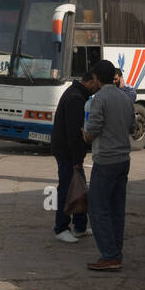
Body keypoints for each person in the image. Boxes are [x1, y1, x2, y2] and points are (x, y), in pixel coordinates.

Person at [82, 59, 133, 271]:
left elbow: (91, 131)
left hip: (105, 161)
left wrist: (84, 134)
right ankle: (116, 253)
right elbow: (131, 126)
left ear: (95, 78)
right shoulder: (126, 97)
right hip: (123, 159)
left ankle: (109, 255)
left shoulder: (99, 99)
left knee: (98, 209)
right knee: (116, 209)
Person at [50, 67, 101, 242]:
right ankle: (61, 227)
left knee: (79, 188)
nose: (97, 89)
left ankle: (79, 226)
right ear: (91, 82)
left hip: (67, 151)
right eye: (96, 85)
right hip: (67, 153)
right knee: (66, 188)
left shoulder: (76, 94)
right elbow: (74, 133)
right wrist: (77, 159)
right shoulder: (76, 99)